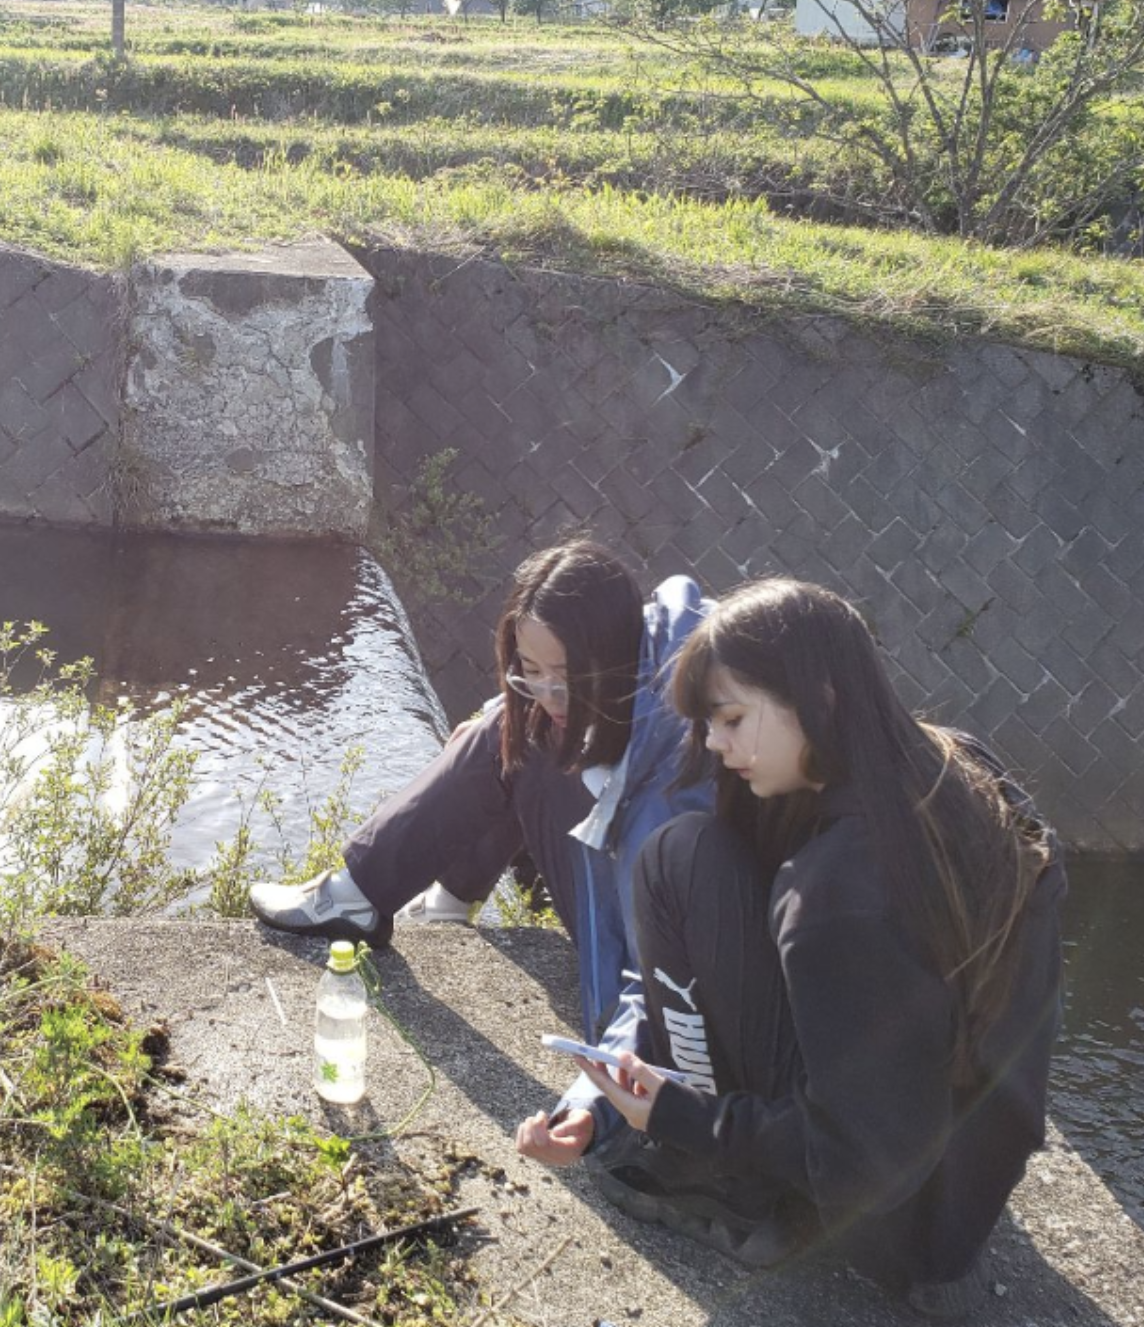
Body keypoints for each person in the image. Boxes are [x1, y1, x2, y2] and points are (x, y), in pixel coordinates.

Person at [571, 578, 1065, 1317]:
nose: (711, 742)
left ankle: (730, 1182)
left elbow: (862, 1163)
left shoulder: (833, 897)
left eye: (732, 718)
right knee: (700, 847)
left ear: (822, 697)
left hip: (886, 1219)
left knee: (678, 857)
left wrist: (674, 1114)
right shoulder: (957, 772)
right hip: (961, 1187)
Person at [250, 540, 712, 1164]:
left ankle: (375, 897)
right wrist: (512, 707)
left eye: (564, 675)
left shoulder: (672, 797)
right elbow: (535, 709)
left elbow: (666, 989)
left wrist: (589, 1105)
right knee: (509, 725)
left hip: (642, 1002)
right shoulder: (640, 673)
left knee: (511, 728)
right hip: (621, 929)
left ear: (611, 656)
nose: (547, 691)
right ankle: (383, 896)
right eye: (529, 666)